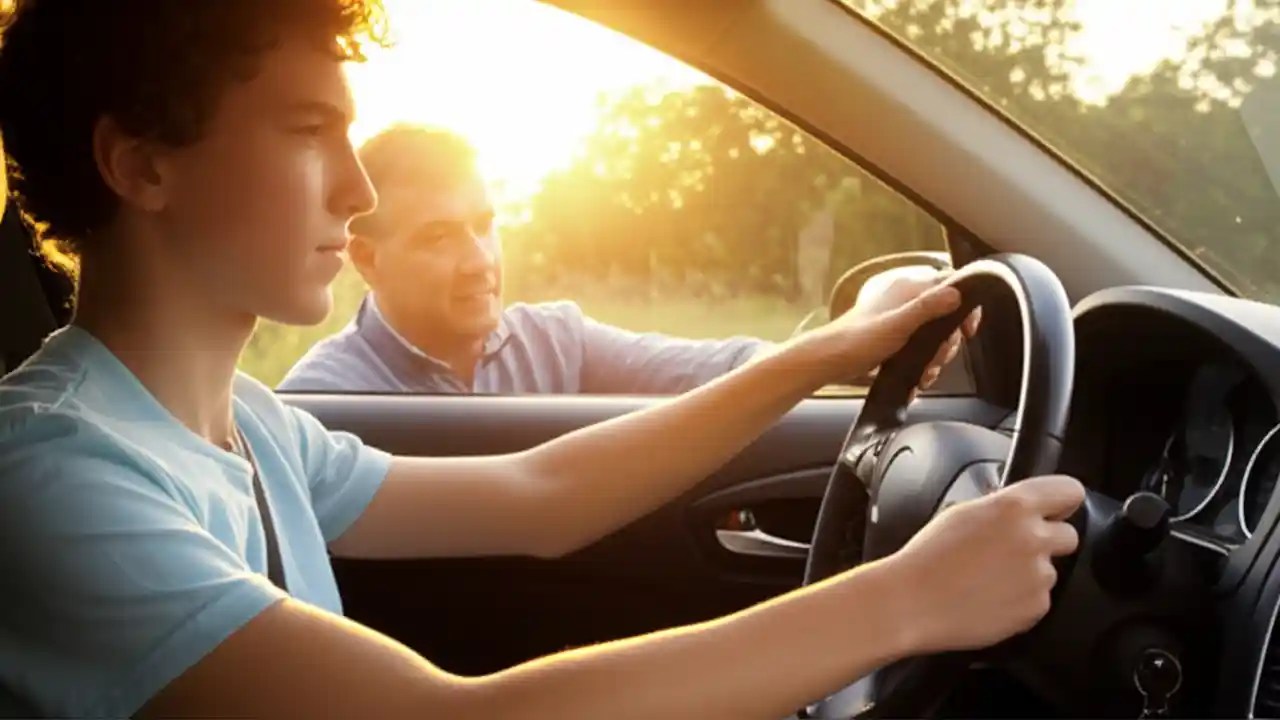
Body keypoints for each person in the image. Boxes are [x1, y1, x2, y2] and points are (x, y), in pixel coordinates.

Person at [0, 1, 1084, 718]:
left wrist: (827, 354)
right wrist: (907, 601)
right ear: (142, 166)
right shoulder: (52, 478)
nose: (358, 191)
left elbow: (542, 494)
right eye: (304, 131)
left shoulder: (245, 420)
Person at [277, 124, 976, 395]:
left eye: (485, 227)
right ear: (366, 259)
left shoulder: (557, 339)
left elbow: (720, 367)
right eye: (438, 238)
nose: (479, 260)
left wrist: (863, 336)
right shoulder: (323, 398)